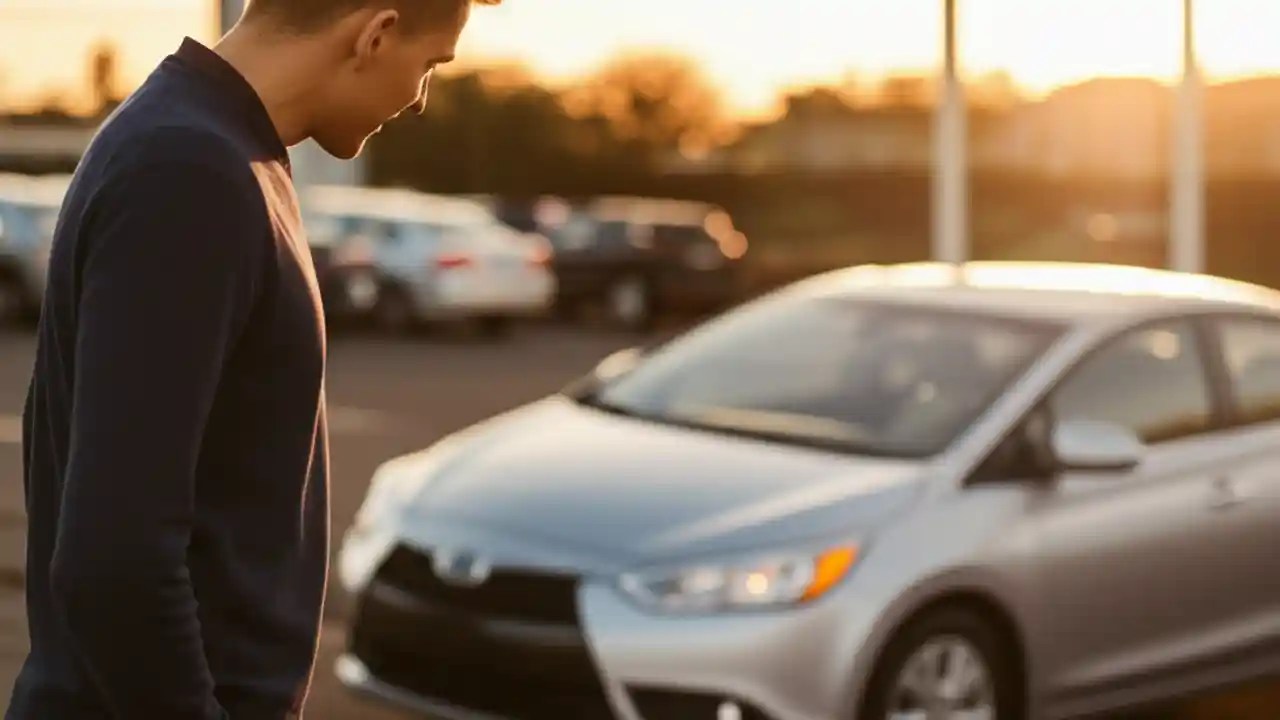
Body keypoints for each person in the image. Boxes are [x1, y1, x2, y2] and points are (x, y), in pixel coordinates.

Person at [7, 1, 497, 718]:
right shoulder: (188, 170)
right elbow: (114, 562)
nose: (420, 99)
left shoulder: (216, 146)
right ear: (376, 33)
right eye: (429, 66)